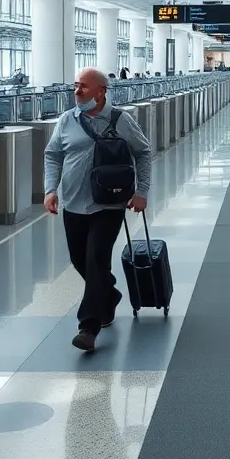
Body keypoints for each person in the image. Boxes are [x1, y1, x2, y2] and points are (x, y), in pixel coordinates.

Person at [43, 67, 153, 353]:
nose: (77, 91)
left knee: (96, 259)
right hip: (74, 203)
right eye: (76, 85)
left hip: (109, 203)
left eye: (84, 87)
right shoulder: (67, 120)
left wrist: (141, 192)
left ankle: (88, 327)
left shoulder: (121, 120)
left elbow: (143, 153)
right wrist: (51, 189)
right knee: (80, 260)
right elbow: (53, 155)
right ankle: (110, 293)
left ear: (101, 91)